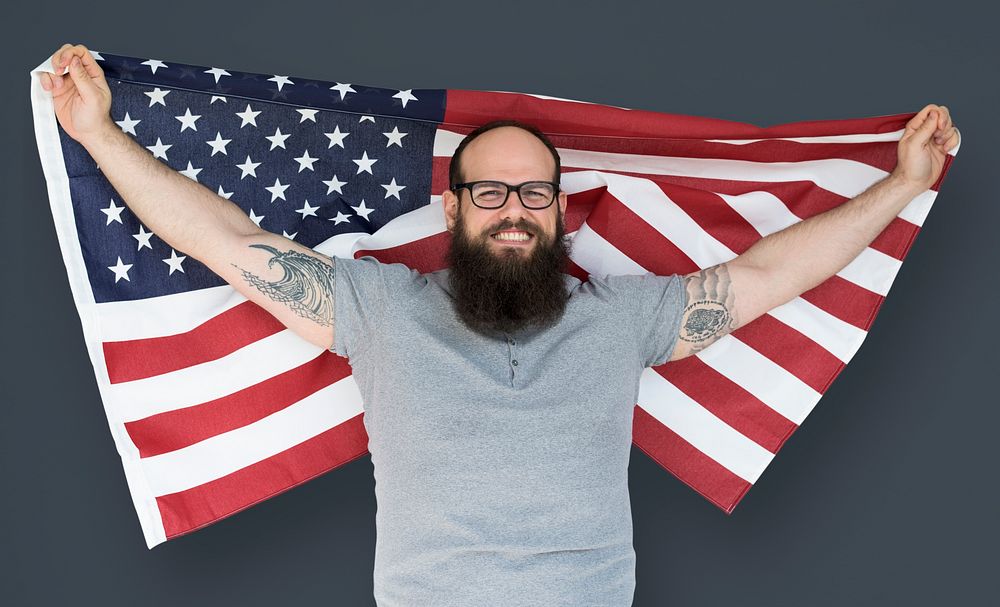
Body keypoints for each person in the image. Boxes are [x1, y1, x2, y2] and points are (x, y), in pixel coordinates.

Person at [41, 43, 960, 606]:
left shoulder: (625, 319)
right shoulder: (380, 309)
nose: (514, 210)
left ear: (558, 212)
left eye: (534, 194)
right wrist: (97, 134)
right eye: (490, 192)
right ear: (453, 210)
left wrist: (903, 184)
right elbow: (225, 238)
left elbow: (769, 273)